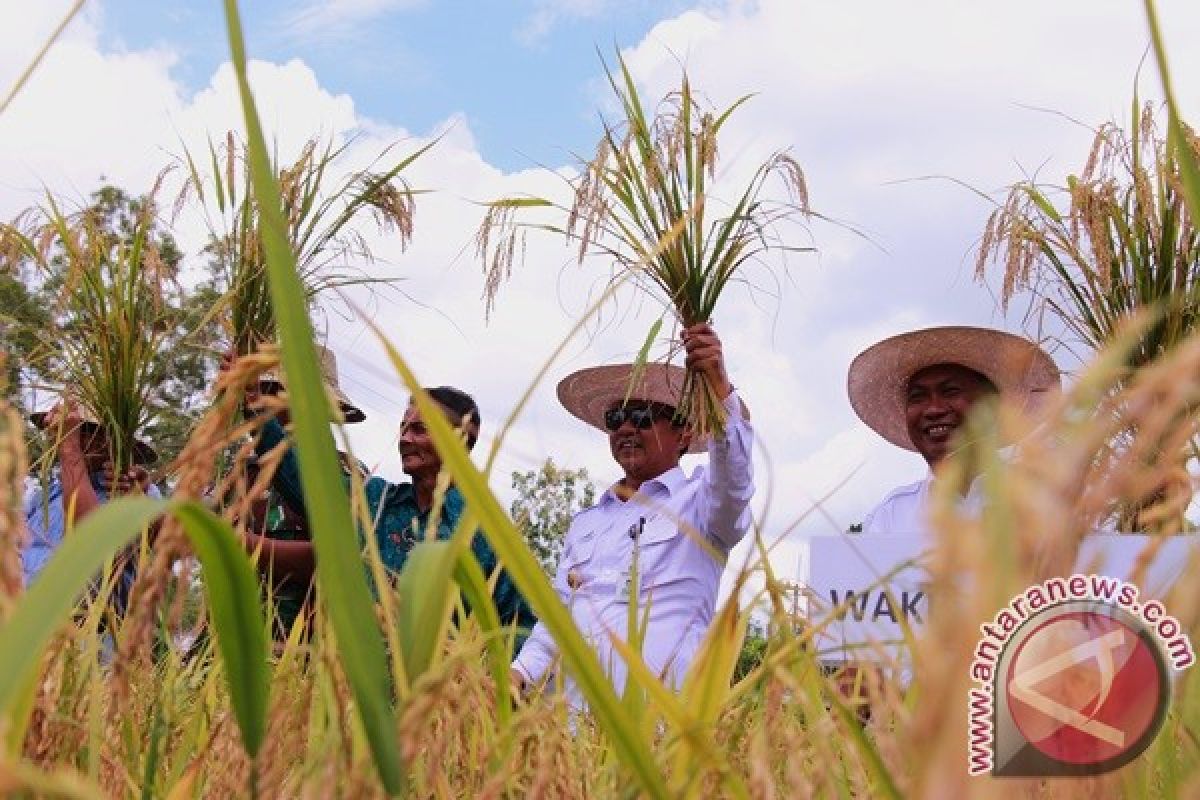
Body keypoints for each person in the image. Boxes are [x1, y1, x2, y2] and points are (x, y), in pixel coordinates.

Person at [511, 323, 754, 703]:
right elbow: (557, 619)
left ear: (684, 434)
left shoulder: (702, 507)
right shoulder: (586, 524)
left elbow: (734, 482)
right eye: (616, 418)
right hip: (569, 728)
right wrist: (519, 674)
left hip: (661, 725)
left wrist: (719, 386)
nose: (626, 427)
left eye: (643, 416)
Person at [238, 354, 535, 634]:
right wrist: (255, 406)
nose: (404, 438)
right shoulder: (376, 501)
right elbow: (308, 482)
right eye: (403, 427)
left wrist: (495, 680)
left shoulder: (483, 529)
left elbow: (520, 623)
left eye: (419, 429)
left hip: (438, 684)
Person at [848, 325, 1060, 536]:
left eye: (950, 391)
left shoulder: (1047, 501)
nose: (933, 409)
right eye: (918, 397)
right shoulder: (890, 519)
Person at [240, 346, 367, 640]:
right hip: (238, 640)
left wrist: (244, 545)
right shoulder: (245, 471)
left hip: (307, 646)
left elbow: (342, 556)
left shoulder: (345, 472)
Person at [24, 399, 159, 607]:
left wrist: (70, 447)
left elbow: (90, 540)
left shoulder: (136, 492)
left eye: (86, 431)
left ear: (112, 441)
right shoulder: (46, 495)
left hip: (82, 631)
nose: (74, 437)